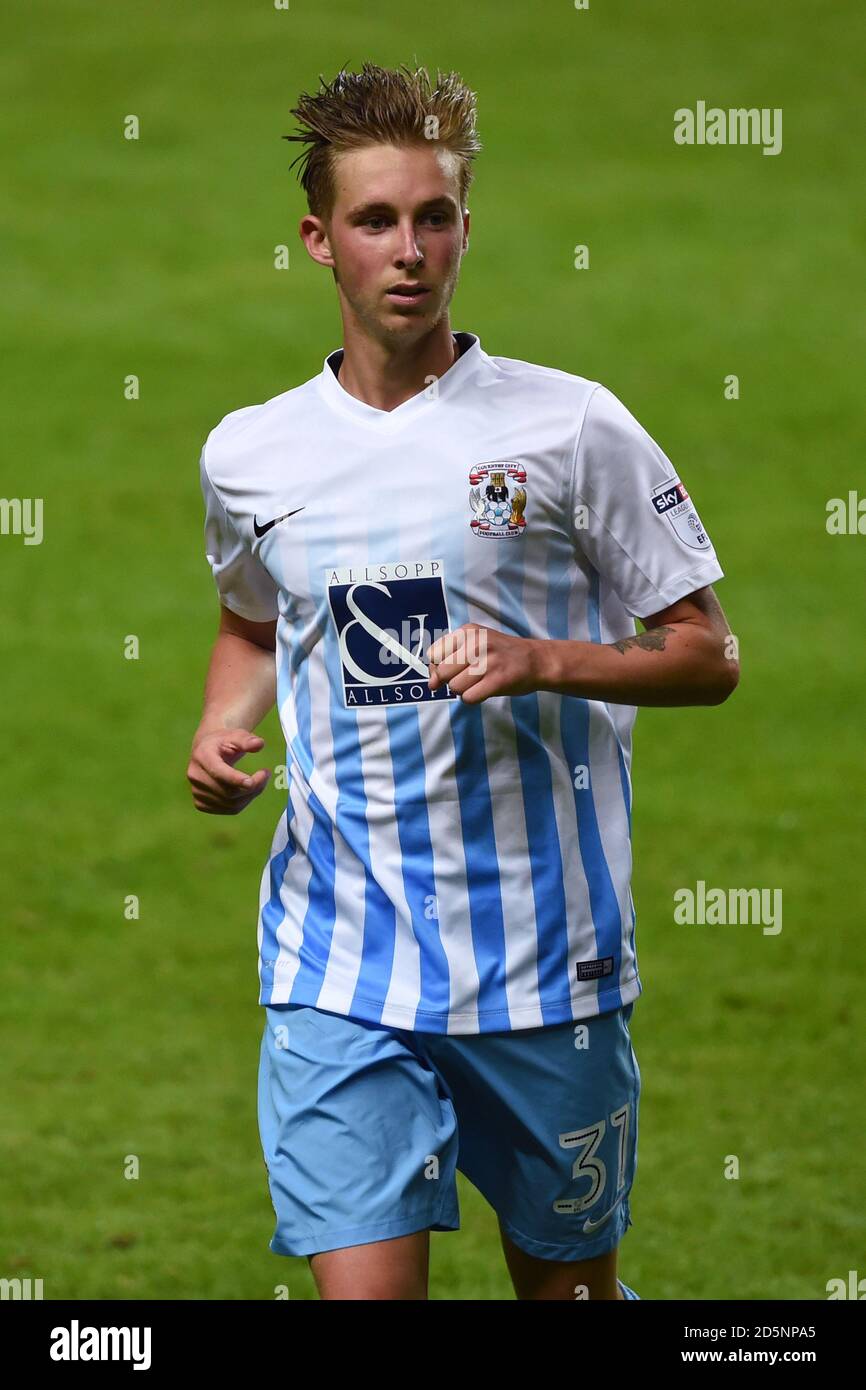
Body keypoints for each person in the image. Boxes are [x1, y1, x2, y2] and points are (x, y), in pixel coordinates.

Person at [187, 62, 739, 1301]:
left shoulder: (570, 428)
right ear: (317, 240)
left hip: (547, 969)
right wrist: (222, 728)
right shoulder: (251, 452)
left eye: (433, 218)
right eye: (376, 221)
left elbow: (707, 655)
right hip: (338, 959)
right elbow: (251, 622)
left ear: (463, 229)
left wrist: (541, 658)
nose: (408, 250)